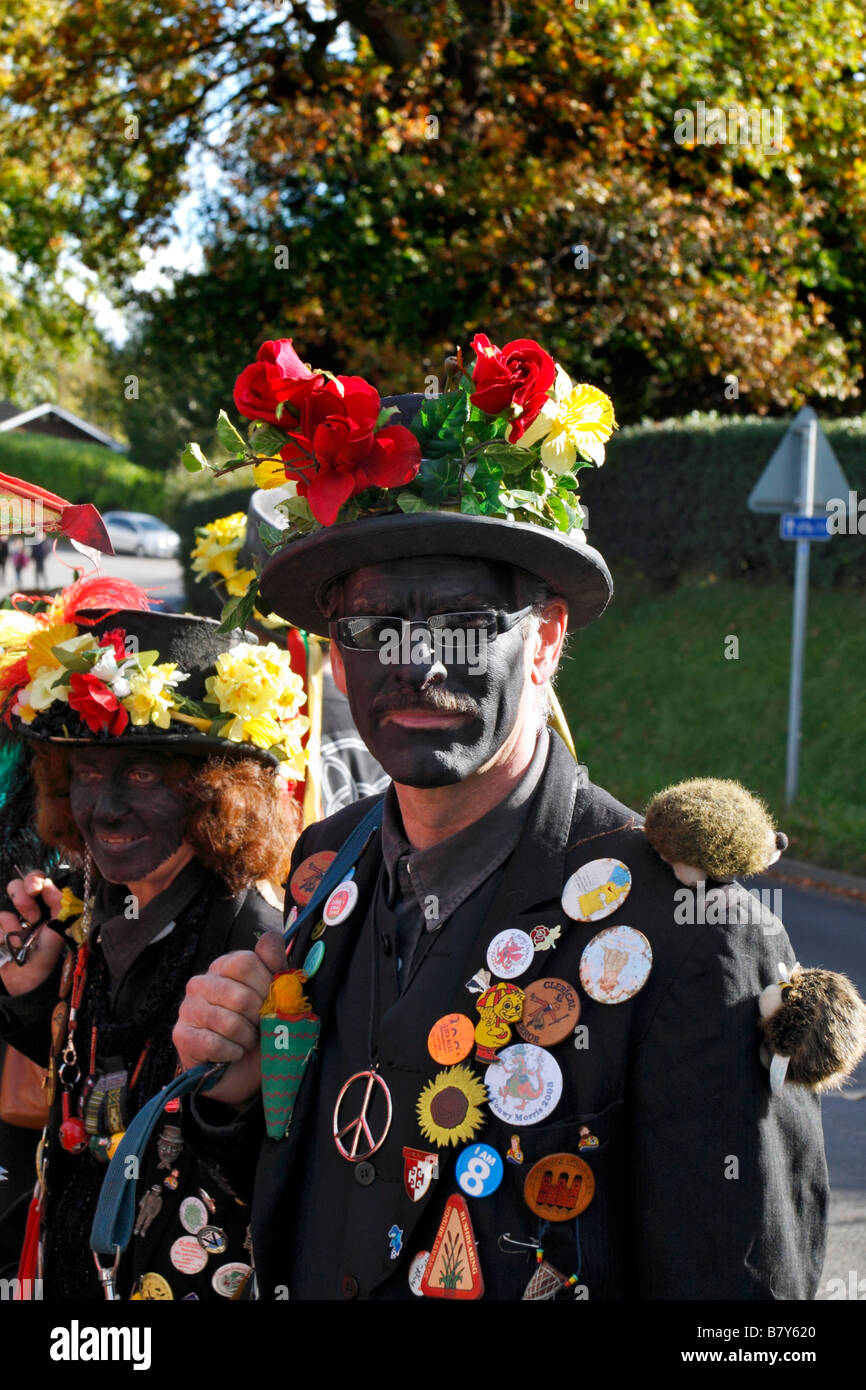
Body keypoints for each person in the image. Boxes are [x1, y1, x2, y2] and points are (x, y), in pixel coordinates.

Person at [173, 333, 829, 1300]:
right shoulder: (321, 873)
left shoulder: (696, 931)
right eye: (373, 628)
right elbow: (290, 1207)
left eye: (465, 623)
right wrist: (229, 1099)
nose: (419, 666)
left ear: (548, 638)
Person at [0, 576, 308, 1299]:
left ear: (215, 793)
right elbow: (88, 1096)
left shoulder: (257, 952)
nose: (104, 808)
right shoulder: (93, 917)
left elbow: (275, 1167)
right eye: (86, 773)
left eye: (140, 774)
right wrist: (31, 996)